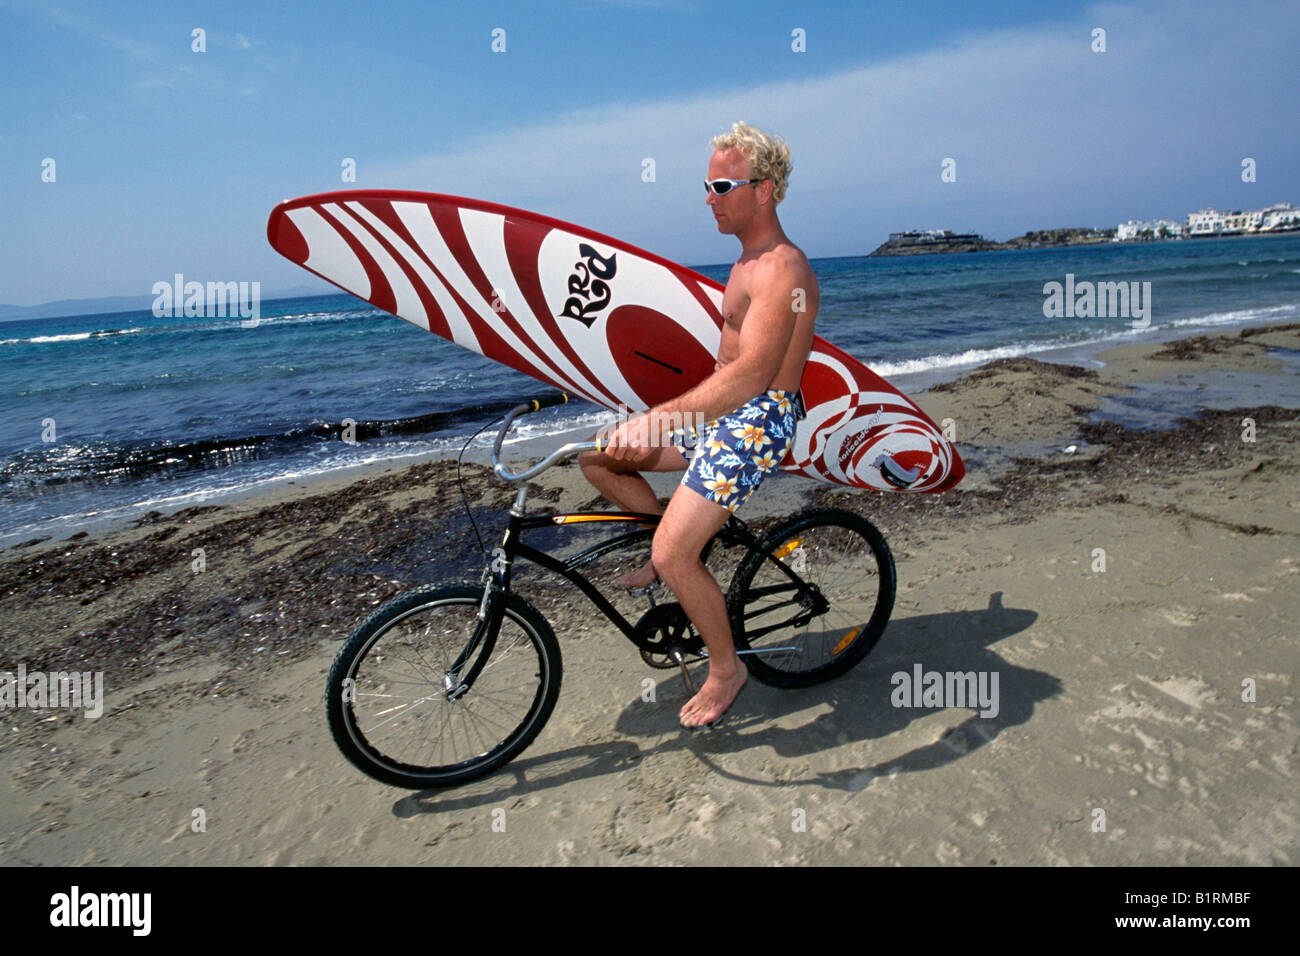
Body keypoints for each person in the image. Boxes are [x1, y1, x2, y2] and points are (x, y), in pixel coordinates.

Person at [579, 121, 819, 729]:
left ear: (762, 190)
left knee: (673, 551)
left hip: (759, 419)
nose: (707, 196)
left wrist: (657, 422)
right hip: (723, 415)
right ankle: (678, 545)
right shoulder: (745, 263)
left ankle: (725, 668)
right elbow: (726, 366)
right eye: (706, 184)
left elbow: (751, 377)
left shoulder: (782, 269)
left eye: (720, 184)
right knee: (596, 458)